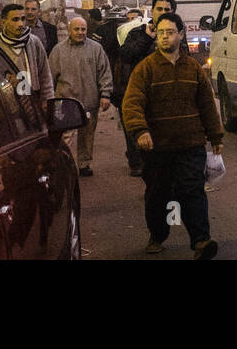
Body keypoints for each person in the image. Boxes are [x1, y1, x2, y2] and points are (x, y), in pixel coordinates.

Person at [121, 13, 223, 259]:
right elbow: (132, 103)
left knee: (193, 190)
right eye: (161, 32)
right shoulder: (146, 69)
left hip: (191, 144)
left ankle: (201, 241)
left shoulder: (193, 69)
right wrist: (140, 131)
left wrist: (216, 136)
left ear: (180, 34)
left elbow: (208, 105)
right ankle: (157, 235)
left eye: (170, 32)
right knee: (159, 194)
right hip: (157, 147)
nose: (165, 36)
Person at [48, 17, 112, 176]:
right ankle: (64, 164)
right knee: (65, 137)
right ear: (69, 30)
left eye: (83, 29)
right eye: (76, 29)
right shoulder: (58, 50)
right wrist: (49, 100)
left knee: (87, 136)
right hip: (65, 102)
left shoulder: (96, 49)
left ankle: (84, 164)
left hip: (89, 101)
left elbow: (104, 73)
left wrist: (105, 94)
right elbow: (50, 76)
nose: (80, 32)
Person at [114, 14, 155, 176]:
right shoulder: (133, 35)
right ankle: (136, 161)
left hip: (150, 92)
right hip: (129, 90)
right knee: (133, 127)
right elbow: (125, 57)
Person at [0, 3, 55, 106]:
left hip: (32, 101)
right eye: (15, 19)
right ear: (3, 22)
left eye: (23, 19)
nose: (21, 24)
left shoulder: (34, 42)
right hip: (7, 105)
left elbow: (45, 75)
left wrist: (47, 102)